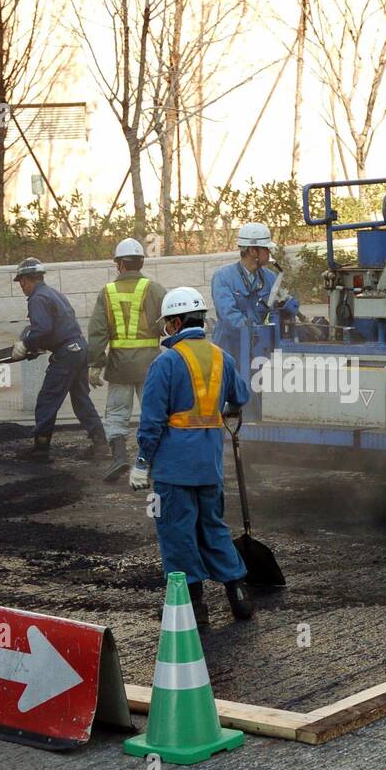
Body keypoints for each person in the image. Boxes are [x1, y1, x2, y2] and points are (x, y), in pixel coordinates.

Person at [130, 286, 254, 623]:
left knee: (177, 533)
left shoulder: (166, 362)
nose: (166, 329)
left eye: (168, 323)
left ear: (176, 322)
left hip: (173, 470)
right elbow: (241, 396)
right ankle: (240, 595)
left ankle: (194, 610)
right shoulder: (221, 357)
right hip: (209, 466)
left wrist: (142, 463)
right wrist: (215, 409)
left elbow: (152, 421)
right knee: (213, 528)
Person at [87, 238, 167, 483]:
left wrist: (95, 363)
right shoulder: (154, 289)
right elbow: (169, 324)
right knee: (154, 414)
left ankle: (119, 457)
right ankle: (153, 463)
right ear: (141, 262)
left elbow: (98, 331)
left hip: (119, 367)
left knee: (117, 414)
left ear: (119, 264)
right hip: (151, 366)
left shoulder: (107, 292)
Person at [12, 257, 107, 460]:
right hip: (78, 349)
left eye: (21, 281)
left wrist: (26, 345)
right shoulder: (53, 293)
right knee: (81, 399)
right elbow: (58, 326)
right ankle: (101, 443)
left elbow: (43, 328)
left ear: (25, 280)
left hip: (66, 355)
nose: (21, 286)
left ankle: (41, 448)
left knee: (47, 399)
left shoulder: (37, 298)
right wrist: (38, 346)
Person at [209, 223, 299, 375]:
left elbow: (277, 309)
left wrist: (287, 307)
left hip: (256, 351)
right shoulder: (223, 277)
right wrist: (255, 331)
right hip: (229, 350)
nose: (269, 252)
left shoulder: (270, 278)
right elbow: (228, 314)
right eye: (265, 249)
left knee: (254, 396)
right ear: (251, 250)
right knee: (228, 394)